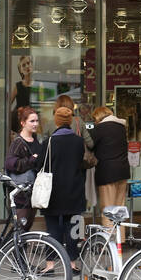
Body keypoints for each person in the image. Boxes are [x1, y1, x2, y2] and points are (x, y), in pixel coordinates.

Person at [43, 104, 87, 271]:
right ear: (70, 121)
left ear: (56, 121)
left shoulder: (49, 142)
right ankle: (72, 263)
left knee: (52, 228)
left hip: (52, 192)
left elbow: (41, 164)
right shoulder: (79, 142)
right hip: (74, 190)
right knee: (73, 228)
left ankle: (50, 264)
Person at [89, 105, 129, 229]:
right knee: (119, 210)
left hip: (107, 172)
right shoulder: (121, 127)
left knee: (108, 209)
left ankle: (109, 237)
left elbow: (90, 145)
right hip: (123, 171)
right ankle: (120, 239)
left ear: (98, 117)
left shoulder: (99, 128)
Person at [5, 106, 42, 233]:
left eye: (37, 121)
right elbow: (10, 164)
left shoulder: (36, 140)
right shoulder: (18, 142)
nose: (35, 124)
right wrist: (31, 160)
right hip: (20, 195)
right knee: (20, 230)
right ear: (23, 123)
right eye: (32, 121)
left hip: (32, 193)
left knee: (26, 228)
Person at [8, 55, 33, 137]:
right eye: (23, 65)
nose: (27, 66)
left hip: (33, 122)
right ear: (20, 70)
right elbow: (8, 104)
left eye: (28, 63)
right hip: (21, 123)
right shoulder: (18, 86)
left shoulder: (37, 85)